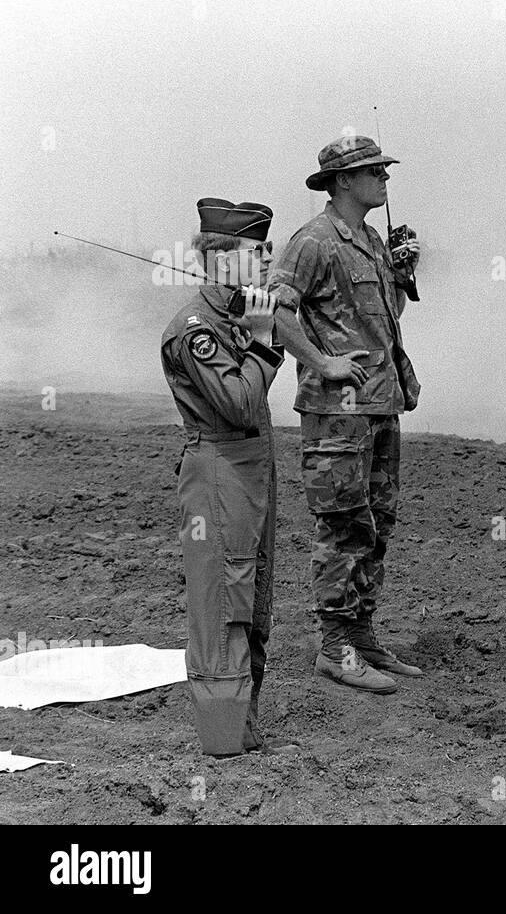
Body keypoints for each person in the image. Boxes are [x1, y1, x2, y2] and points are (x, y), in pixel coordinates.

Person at [266, 135, 424, 694]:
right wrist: (322, 362)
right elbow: (275, 311)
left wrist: (402, 276)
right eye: (373, 171)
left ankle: (361, 634)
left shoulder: (372, 240)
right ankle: (335, 650)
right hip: (338, 412)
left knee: (376, 524)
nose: (384, 178)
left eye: (383, 169)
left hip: (380, 402)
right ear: (342, 182)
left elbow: (382, 317)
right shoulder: (312, 242)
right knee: (342, 526)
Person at [160, 197, 289, 755]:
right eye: (258, 250)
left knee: (253, 596)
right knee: (222, 601)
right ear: (222, 259)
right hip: (218, 471)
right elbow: (237, 404)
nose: (269, 259)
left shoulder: (238, 314)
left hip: (250, 470)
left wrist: (262, 331)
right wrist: (260, 340)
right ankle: (223, 741)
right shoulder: (196, 330)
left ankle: (244, 730)